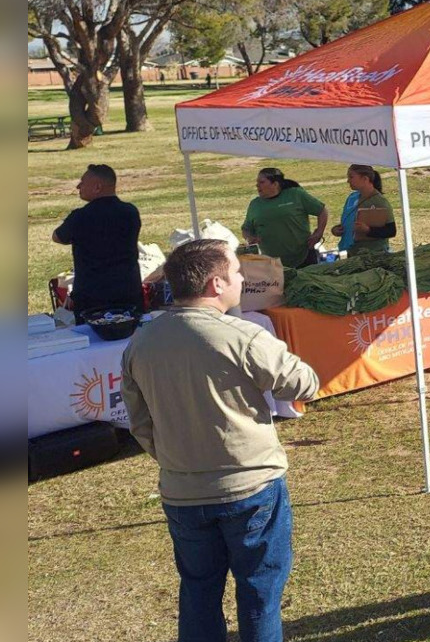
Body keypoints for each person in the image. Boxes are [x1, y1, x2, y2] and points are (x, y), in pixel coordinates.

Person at [121, 239, 320, 642]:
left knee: (198, 590)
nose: (242, 279)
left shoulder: (141, 341)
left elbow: (139, 421)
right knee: (260, 592)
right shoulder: (242, 335)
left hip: (182, 490)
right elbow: (304, 383)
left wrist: (176, 459)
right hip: (251, 486)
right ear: (216, 284)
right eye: (236, 273)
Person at [52, 163, 143, 319]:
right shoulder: (130, 212)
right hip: (128, 291)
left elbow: (57, 237)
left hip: (91, 296)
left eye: (82, 182)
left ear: (97, 187)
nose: (78, 186)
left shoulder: (80, 216)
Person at [241, 168, 329, 268]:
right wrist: (249, 238)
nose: (257, 185)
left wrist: (319, 232)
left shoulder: (296, 195)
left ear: (275, 184)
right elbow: (246, 229)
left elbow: (322, 211)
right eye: (257, 182)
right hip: (272, 263)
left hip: (304, 257)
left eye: (262, 182)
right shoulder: (255, 205)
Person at [330, 165, 396, 256]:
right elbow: (351, 221)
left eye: (351, 177)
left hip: (373, 255)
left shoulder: (379, 201)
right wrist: (337, 229)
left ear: (365, 179)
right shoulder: (352, 198)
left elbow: (391, 231)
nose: (348, 181)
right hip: (353, 253)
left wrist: (368, 230)